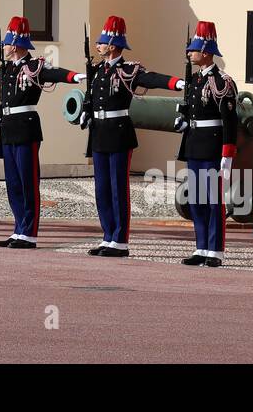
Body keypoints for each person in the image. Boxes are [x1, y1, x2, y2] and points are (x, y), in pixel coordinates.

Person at [78, 16, 183, 257]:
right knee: (102, 188)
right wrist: (86, 111)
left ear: (113, 45)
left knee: (118, 187)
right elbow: (91, 99)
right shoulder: (97, 71)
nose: (98, 46)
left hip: (118, 132)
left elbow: (151, 78)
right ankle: (107, 236)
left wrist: (175, 82)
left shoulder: (128, 70)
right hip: (99, 133)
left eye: (102, 43)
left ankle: (120, 240)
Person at [0, 17, 84, 250]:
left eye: (7, 42)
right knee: (12, 182)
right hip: (9, 126)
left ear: (16, 44)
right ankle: (18, 228)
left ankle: (29, 232)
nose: (4, 46)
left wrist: (74, 77)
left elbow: (54, 73)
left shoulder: (35, 66)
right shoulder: (8, 68)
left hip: (26, 125)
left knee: (27, 181)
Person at [176, 21, 239, 268]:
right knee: (197, 200)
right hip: (194, 145)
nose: (189, 54)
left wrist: (228, 152)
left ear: (205, 52)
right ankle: (201, 246)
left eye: (193, 50)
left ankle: (216, 250)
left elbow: (230, 120)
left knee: (214, 201)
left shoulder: (222, 81)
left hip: (213, 147)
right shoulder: (194, 81)